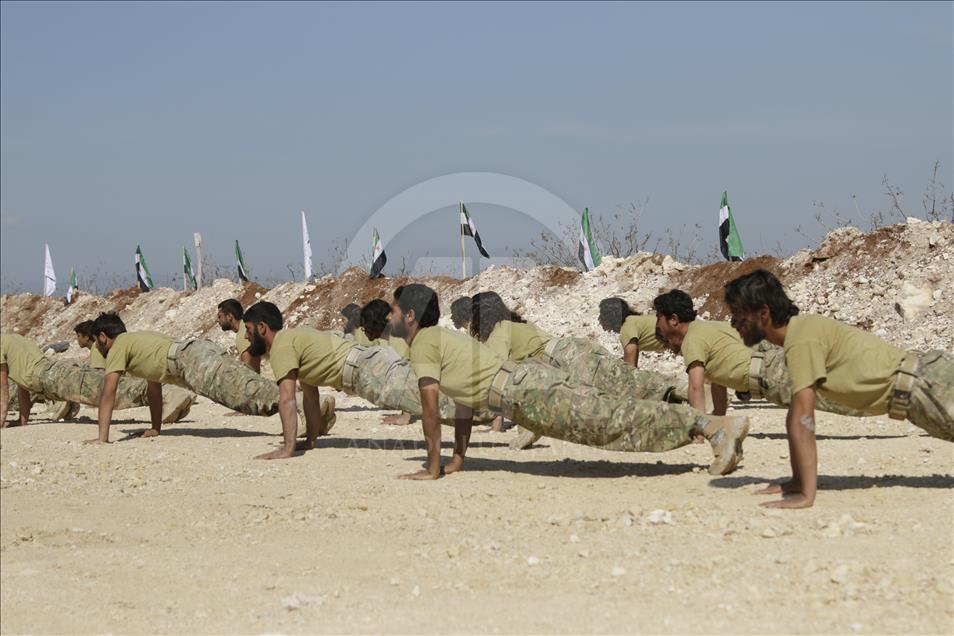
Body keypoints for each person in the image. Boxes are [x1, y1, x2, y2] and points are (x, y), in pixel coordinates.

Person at [389, 284, 750, 480]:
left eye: (392, 310)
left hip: (523, 392)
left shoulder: (423, 344)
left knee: (608, 420)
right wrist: (457, 459)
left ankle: (714, 428)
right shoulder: (443, 340)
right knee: (609, 408)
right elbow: (464, 404)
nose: (389, 317)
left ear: (409, 315)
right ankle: (708, 422)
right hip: (527, 383)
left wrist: (433, 468)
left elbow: (431, 412)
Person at [723, 269, 953, 509]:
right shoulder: (799, 336)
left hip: (932, 387)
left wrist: (806, 494)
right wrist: (796, 481)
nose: (734, 323)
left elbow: (804, 419)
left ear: (764, 313)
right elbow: (795, 415)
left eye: (739, 315)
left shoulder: (802, 340)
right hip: (923, 393)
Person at [241, 301, 487, 459]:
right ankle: (492, 402)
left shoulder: (281, 345)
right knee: (438, 395)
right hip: (367, 364)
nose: (248, 337)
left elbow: (287, 399)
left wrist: (287, 448)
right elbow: (310, 395)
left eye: (250, 331)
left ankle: (497, 408)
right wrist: (311, 440)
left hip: (367, 369)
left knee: (437, 405)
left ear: (262, 328)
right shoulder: (294, 338)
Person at [85, 312, 334, 451]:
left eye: (98, 342)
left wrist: (102, 437)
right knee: (246, 383)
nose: (98, 347)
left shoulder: (118, 345)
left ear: (104, 337)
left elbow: (108, 392)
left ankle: (302, 403)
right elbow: (154, 387)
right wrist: (156, 427)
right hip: (193, 353)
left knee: (243, 395)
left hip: (189, 361)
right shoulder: (138, 340)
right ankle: (310, 410)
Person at [471, 291, 688, 448]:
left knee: (606, 400)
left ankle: (675, 404)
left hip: (567, 360)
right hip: (576, 348)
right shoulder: (517, 325)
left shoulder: (499, 332)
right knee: (627, 380)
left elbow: (495, 374)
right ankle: (676, 390)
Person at [652, 289, 858, 418]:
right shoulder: (708, 329)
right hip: (771, 365)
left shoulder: (692, 340)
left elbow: (696, 387)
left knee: (835, 398)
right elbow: (717, 379)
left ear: (673, 319)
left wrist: (699, 427)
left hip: (770, 376)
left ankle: (882, 398)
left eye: (659, 317)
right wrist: (719, 416)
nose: (657, 323)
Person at [1, 332, 193, 428]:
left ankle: (171, 393)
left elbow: (3, 387)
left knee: (107, 391)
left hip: (50, 378)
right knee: (102, 385)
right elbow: (21, 386)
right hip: (54, 372)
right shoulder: (13, 339)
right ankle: (169, 394)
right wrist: (22, 420)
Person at [598, 297, 667, 367]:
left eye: (602, 315)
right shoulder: (634, 321)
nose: (599, 319)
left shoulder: (626, 329)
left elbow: (630, 367)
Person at [216, 299, 261, 372]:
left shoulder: (243, 333)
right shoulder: (245, 326)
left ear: (229, 316)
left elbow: (250, 365)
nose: (217, 320)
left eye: (220, 316)